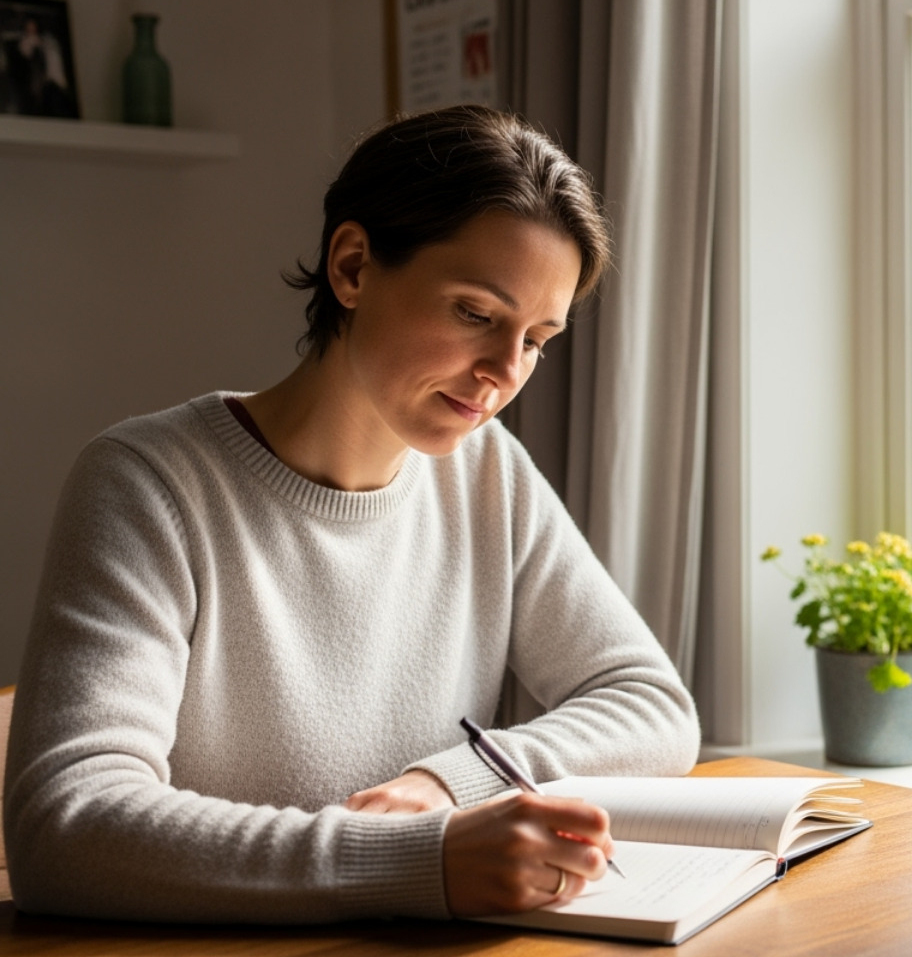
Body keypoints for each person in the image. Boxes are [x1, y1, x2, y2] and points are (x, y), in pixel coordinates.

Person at [4, 106, 701, 924]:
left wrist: (449, 784)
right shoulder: (147, 484)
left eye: (537, 338)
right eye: (476, 314)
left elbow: (652, 704)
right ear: (354, 267)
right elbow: (66, 827)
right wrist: (421, 859)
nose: (502, 373)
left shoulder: (487, 470)